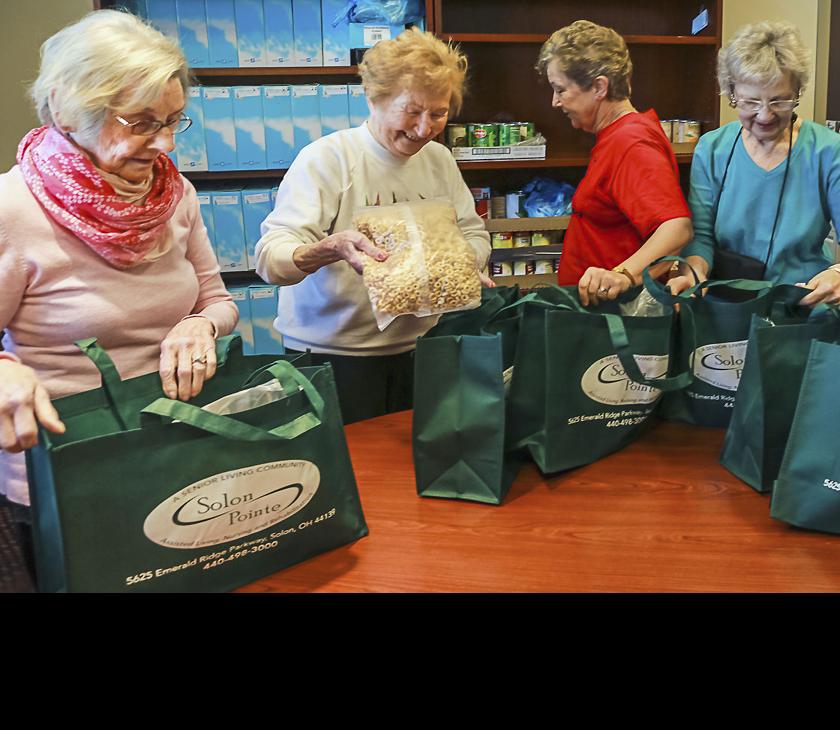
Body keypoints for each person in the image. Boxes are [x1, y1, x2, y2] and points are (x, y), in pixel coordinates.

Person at [0, 9, 239, 591]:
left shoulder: (173, 192)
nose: (161, 144)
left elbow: (218, 299)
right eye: (139, 122)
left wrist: (200, 326)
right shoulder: (13, 211)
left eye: (173, 122)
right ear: (64, 107)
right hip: (60, 484)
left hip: (171, 457)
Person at [255, 28, 491, 424]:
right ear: (373, 98)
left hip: (422, 350)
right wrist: (329, 248)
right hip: (330, 359)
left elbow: (472, 234)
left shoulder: (439, 160)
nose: (423, 129)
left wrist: (464, 260)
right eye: (411, 112)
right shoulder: (327, 160)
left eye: (439, 113)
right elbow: (270, 259)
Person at [671, 20, 840, 305]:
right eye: (750, 102)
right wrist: (692, 274)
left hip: (801, 305)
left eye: (780, 101)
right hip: (724, 307)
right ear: (731, 93)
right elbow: (701, 237)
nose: (765, 116)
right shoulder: (712, 148)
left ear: (798, 93)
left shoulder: (828, 150)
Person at [539, 20, 693, 307]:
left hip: (619, 319)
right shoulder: (616, 137)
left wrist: (624, 275)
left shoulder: (631, 143)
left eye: (560, 90)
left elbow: (676, 228)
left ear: (599, 87)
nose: (554, 102)